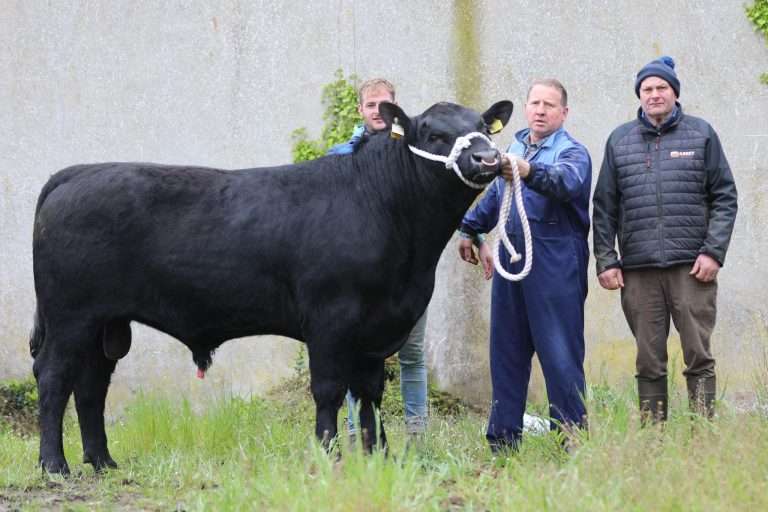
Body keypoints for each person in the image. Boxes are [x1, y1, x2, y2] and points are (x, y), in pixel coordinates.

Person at [592, 56, 738, 422]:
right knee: (648, 359)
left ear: (674, 93)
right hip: (638, 271)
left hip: (692, 268)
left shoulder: (701, 133)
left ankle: (703, 436)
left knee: (698, 356)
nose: (655, 94)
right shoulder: (619, 140)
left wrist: (713, 252)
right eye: (647, 89)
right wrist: (606, 260)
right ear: (639, 96)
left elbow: (724, 196)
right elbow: (604, 207)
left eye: (662, 88)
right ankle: (653, 441)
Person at [457, 79, 592, 452]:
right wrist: (469, 229)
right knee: (507, 352)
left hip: (556, 260)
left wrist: (526, 170)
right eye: (535, 103)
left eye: (550, 105)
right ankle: (503, 443)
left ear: (563, 113)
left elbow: (565, 184)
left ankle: (572, 441)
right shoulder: (514, 148)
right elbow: (495, 198)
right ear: (526, 107)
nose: (541, 110)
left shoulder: (573, 152)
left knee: (560, 353)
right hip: (511, 257)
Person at [328, 78, 429, 440]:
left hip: (407, 276)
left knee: (412, 356)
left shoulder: (415, 151)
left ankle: (419, 441)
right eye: (370, 105)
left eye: (383, 105)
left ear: (395, 107)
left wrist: (474, 234)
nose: (376, 111)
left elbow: (437, 202)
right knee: (358, 358)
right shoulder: (341, 156)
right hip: (360, 280)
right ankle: (360, 438)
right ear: (360, 110)